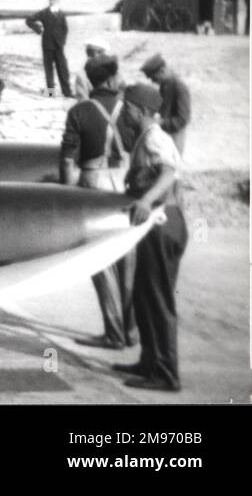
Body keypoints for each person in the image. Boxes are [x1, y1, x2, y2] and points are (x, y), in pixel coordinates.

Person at [110, 84, 186, 392]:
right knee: (143, 293)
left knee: (157, 299)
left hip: (161, 221)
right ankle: (149, 361)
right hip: (155, 223)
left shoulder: (155, 137)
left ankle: (167, 374)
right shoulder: (147, 136)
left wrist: (145, 201)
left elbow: (168, 173)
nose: (123, 111)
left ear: (139, 110)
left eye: (126, 106)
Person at [59, 54, 135, 350]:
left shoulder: (79, 111)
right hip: (127, 180)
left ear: (90, 81)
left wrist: (66, 196)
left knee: (100, 259)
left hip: (93, 181)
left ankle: (114, 332)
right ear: (112, 79)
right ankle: (131, 330)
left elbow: (68, 160)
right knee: (129, 256)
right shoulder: (129, 108)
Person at [140, 55, 190, 155]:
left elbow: (182, 120)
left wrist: (160, 123)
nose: (152, 81)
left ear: (162, 71)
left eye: (153, 77)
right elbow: (164, 107)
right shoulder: (165, 84)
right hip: (165, 136)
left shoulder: (179, 87)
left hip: (174, 137)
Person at [26, 0, 71, 97]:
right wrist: (38, 29)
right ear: (49, 0)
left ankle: (67, 92)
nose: (53, 1)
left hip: (59, 46)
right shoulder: (44, 13)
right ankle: (51, 93)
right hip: (47, 44)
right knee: (49, 70)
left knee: (63, 69)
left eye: (56, 0)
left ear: (58, 1)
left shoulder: (62, 14)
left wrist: (63, 41)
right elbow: (29, 20)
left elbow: (65, 29)